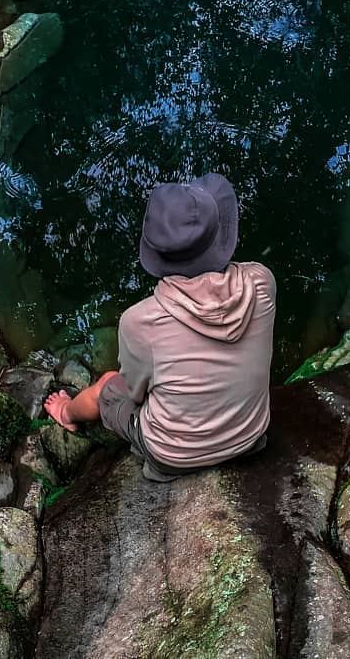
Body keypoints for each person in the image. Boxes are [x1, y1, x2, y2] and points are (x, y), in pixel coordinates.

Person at [44, 173, 276, 481]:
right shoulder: (262, 282)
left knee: (109, 384)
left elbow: (135, 394)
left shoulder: (140, 322)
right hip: (250, 435)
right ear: (219, 236)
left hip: (172, 457)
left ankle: (66, 413)